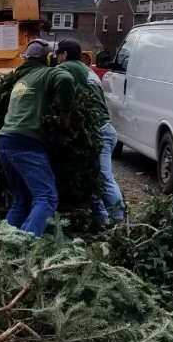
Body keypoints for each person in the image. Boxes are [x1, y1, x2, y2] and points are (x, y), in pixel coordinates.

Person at [0, 38, 76, 237]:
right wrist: (65, 114)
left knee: (21, 199)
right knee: (47, 197)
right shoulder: (48, 73)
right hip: (26, 144)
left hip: (5, 143)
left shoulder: (21, 79)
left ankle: (1, 242)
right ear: (49, 59)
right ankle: (25, 243)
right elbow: (66, 80)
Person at [54, 37, 125, 226]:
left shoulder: (66, 68)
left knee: (103, 177)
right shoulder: (87, 70)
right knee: (92, 178)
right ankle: (101, 220)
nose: (56, 60)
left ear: (65, 55)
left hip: (99, 131)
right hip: (103, 130)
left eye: (57, 55)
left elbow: (49, 80)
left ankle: (121, 221)